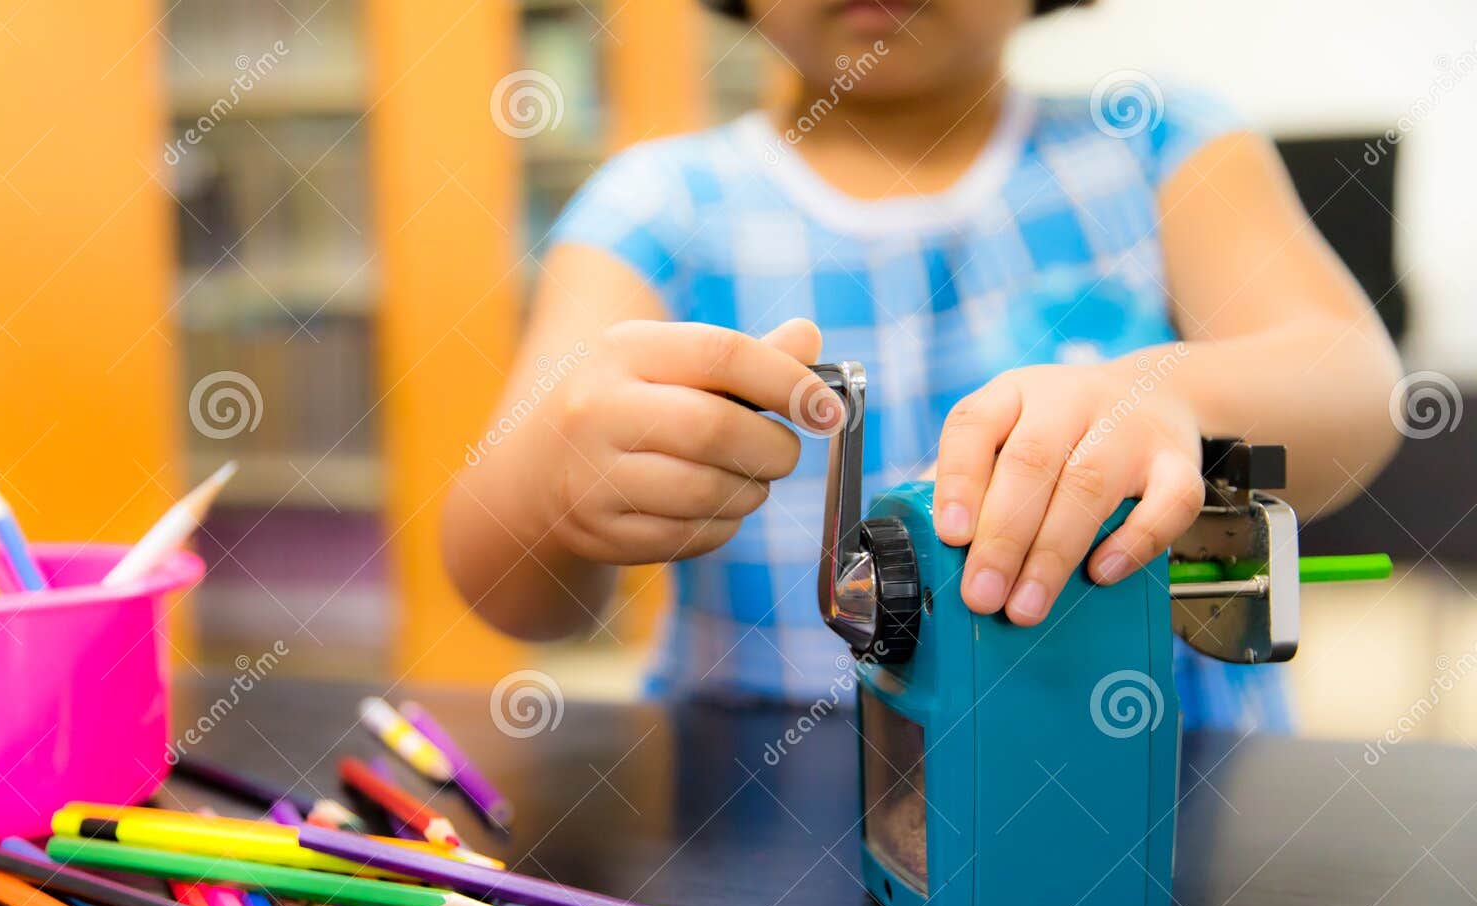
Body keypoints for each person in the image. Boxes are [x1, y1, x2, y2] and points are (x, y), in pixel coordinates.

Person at [442, 0, 1401, 730]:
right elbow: (501, 581)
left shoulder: (1158, 142)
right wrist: (549, 495)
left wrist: (1169, 399)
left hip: (1157, 776)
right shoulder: (656, 206)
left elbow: (1352, 382)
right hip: (755, 801)